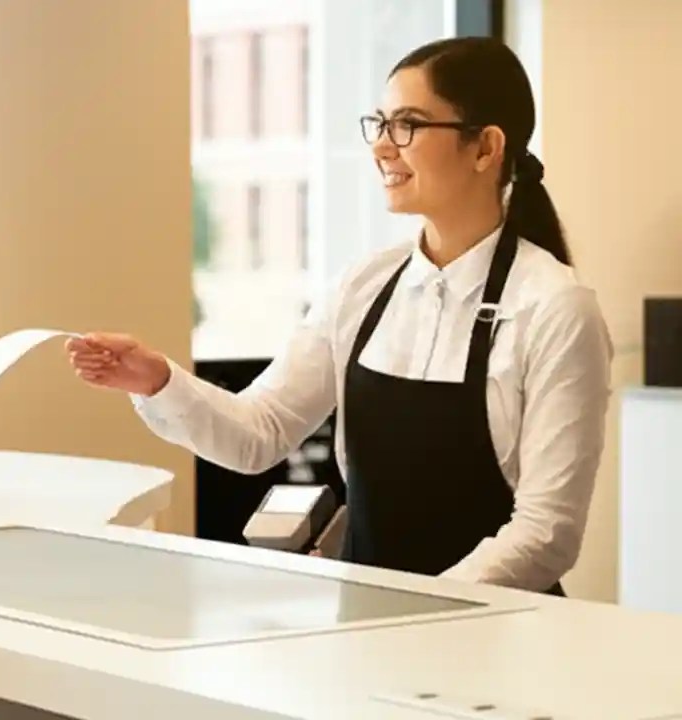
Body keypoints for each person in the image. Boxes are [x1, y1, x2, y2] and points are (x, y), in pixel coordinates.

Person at [69, 37, 612, 597]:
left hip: (497, 637)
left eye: (407, 125)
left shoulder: (555, 308)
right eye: (379, 124)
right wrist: (158, 382)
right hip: (364, 630)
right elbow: (261, 433)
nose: (382, 147)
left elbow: (547, 532)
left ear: (485, 147)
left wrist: (424, 613)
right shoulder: (363, 286)